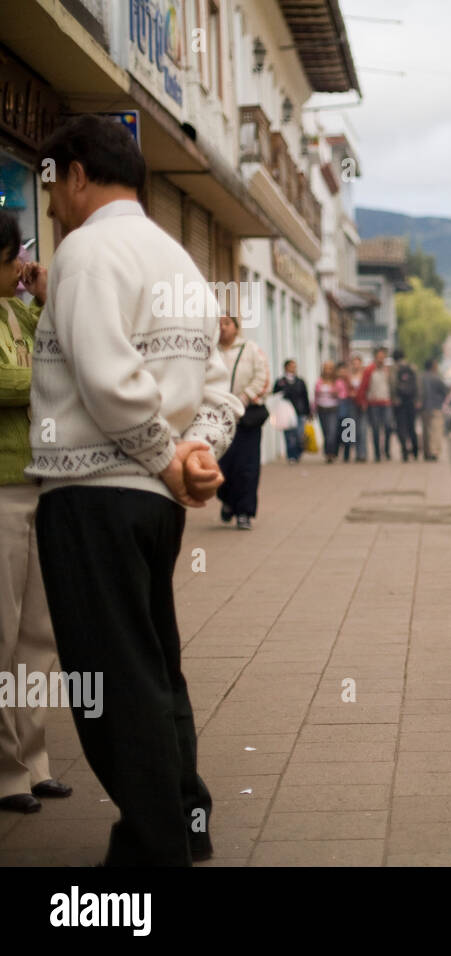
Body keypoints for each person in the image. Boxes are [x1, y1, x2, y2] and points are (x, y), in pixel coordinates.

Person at [26, 114, 241, 864]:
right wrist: (198, 457)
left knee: (108, 679)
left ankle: (152, 849)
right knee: (152, 664)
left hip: (95, 492)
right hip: (151, 501)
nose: (49, 206)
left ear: (78, 176)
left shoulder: (86, 251)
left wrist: (164, 458)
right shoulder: (177, 260)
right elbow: (220, 384)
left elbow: (106, 380)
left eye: (52, 188)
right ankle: (186, 818)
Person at [0, 213, 73, 814]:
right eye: (13, 259)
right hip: (0, 491)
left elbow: (57, 343)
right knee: (2, 632)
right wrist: (46, 376)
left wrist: (44, 297)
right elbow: (15, 380)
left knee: (37, 634)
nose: (19, 268)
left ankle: (34, 758)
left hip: (38, 483)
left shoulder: (17, 311)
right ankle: (5, 771)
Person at [216, 314, 270, 528]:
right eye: (218, 324)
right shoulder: (210, 351)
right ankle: (227, 500)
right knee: (221, 467)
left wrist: (244, 398)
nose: (222, 328)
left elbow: (263, 377)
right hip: (218, 418)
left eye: (227, 323)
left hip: (247, 418)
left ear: (236, 328)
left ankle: (244, 512)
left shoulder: (251, 349)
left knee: (246, 467)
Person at [273, 359, 311, 463]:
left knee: (299, 434)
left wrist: (308, 412)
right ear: (286, 367)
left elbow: (305, 396)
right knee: (289, 435)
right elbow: (274, 394)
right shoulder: (280, 381)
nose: (293, 368)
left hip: (299, 411)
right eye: (291, 366)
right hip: (286, 412)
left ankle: (298, 452)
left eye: (294, 366)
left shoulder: (300, 381)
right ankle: (291, 456)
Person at [360, 347, 395, 461]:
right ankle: (377, 453)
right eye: (379, 357)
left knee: (388, 426)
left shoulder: (388, 370)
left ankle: (386, 449)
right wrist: (363, 401)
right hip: (373, 403)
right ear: (375, 357)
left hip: (386, 402)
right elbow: (363, 387)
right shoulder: (369, 370)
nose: (381, 359)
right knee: (375, 429)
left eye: (383, 357)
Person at [390, 348, 420, 461]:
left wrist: (395, 398)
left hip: (399, 402)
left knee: (401, 427)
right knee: (411, 426)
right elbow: (417, 384)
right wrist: (417, 399)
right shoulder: (411, 367)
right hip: (411, 401)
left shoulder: (394, 369)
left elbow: (393, 384)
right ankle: (415, 450)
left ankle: (404, 451)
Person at [420, 358, 450, 461]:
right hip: (436, 407)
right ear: (433, 366)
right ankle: (434, 452)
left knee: (426, 431)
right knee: (436, 430)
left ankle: (427, 451)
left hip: (423, 407)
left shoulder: (421, 377)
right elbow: (445, 391)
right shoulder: (436, 378)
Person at [314, 360, 341, 462]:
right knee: (325, 432)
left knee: (332, 432)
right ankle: (328, 453)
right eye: (325, 368)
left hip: (333, 409)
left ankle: (331, 453)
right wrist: (313, 409)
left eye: (330, 368)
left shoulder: (337, 382)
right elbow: (316, 396)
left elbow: (342, 394)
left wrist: (335, 393)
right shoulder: (319, 381)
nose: (327, 370)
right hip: (321, 409)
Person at [342, 355, 367, 461]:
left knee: (363, 429)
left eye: (358, 363)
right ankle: (357, 453)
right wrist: (350, 394)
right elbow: (344, 389)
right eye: (354, 363)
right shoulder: (348, 377)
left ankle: (363, 453)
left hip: (362, 404)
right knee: (353, 430)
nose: (356, 365)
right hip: (351, 404)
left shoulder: (365, 375)